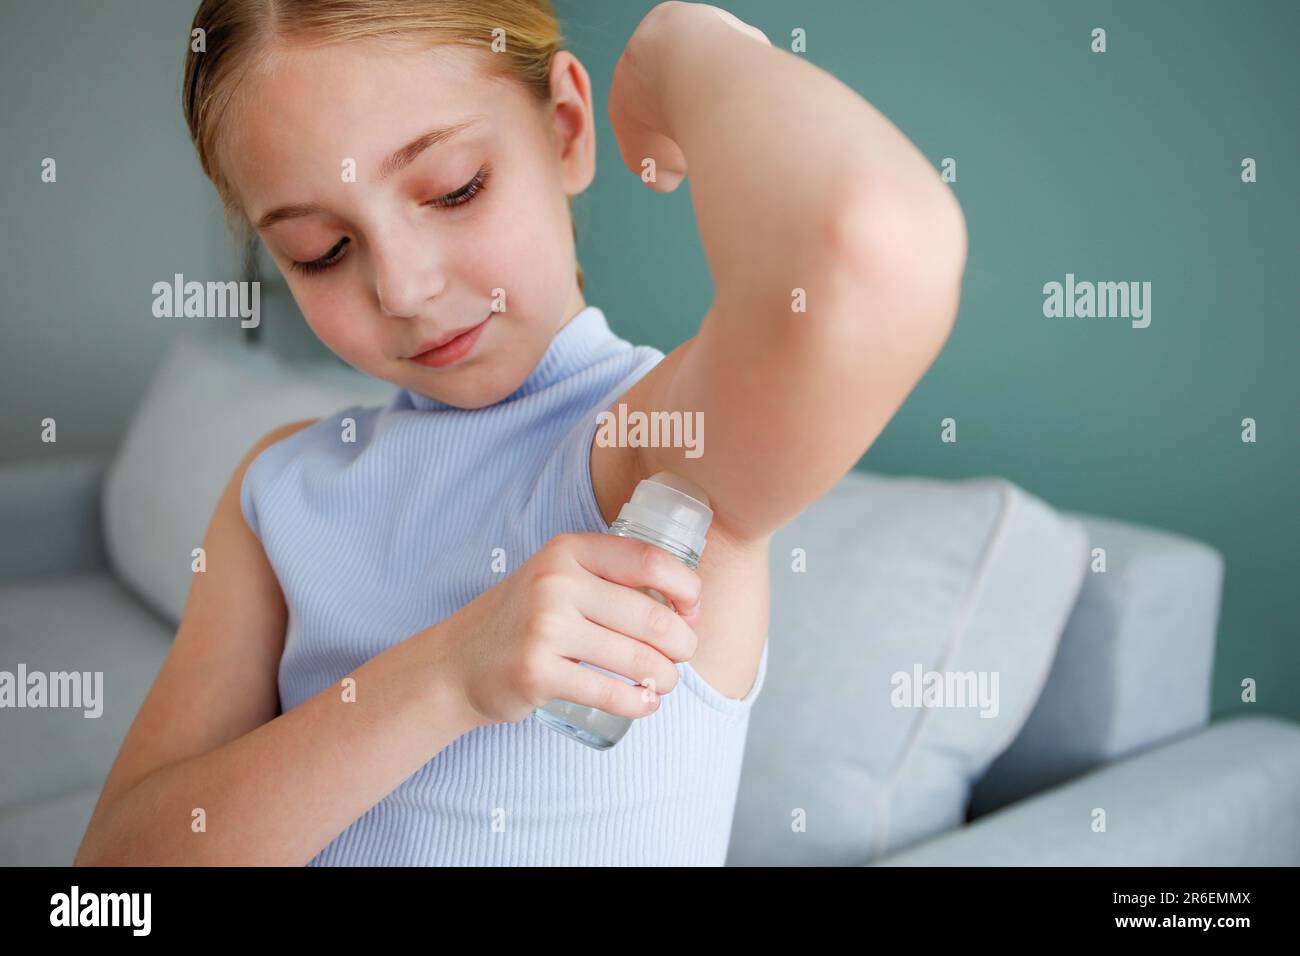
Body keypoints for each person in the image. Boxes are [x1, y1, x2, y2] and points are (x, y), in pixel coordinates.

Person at [75, 0, 966, 866]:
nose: (404, 289)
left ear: (567, 127)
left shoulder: (651, 453)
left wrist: (682, 42)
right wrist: (447, 675)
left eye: (454, 188)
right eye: (320, 250)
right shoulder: (278, 492)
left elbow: (872, 250)